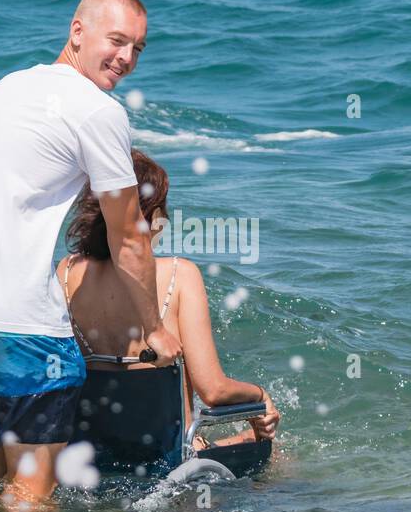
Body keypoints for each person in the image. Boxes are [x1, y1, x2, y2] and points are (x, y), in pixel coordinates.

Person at [0, 0, 182, 505]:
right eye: (117, 41)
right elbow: (128, 233)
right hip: (22, 325)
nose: (127, 57)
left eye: (138, 48)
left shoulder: (3, 89)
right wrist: (154, 328)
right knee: (29, 493)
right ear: (77, 31)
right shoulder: (96, 110)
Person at [59, 150, 280, 450]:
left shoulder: (68, 272)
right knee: (269, 448)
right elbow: (213, 391)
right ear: (150, 216)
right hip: (168, 460)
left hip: (90, 458)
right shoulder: (180, 275)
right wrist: (259, 396)